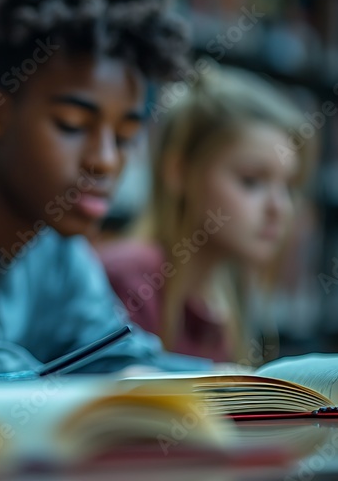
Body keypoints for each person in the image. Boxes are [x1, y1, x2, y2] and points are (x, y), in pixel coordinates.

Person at [0, 0, 211, 376]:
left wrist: (256, 385)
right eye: (72, 125)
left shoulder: (62, 252)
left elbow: (122, 358)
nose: (104, 161)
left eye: (124, 137)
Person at [98, 63, 305, 364]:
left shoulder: (223, 295)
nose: (280, 208)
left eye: (289, 186)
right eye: (251, 181)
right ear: (178, 171)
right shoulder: (129, 278)